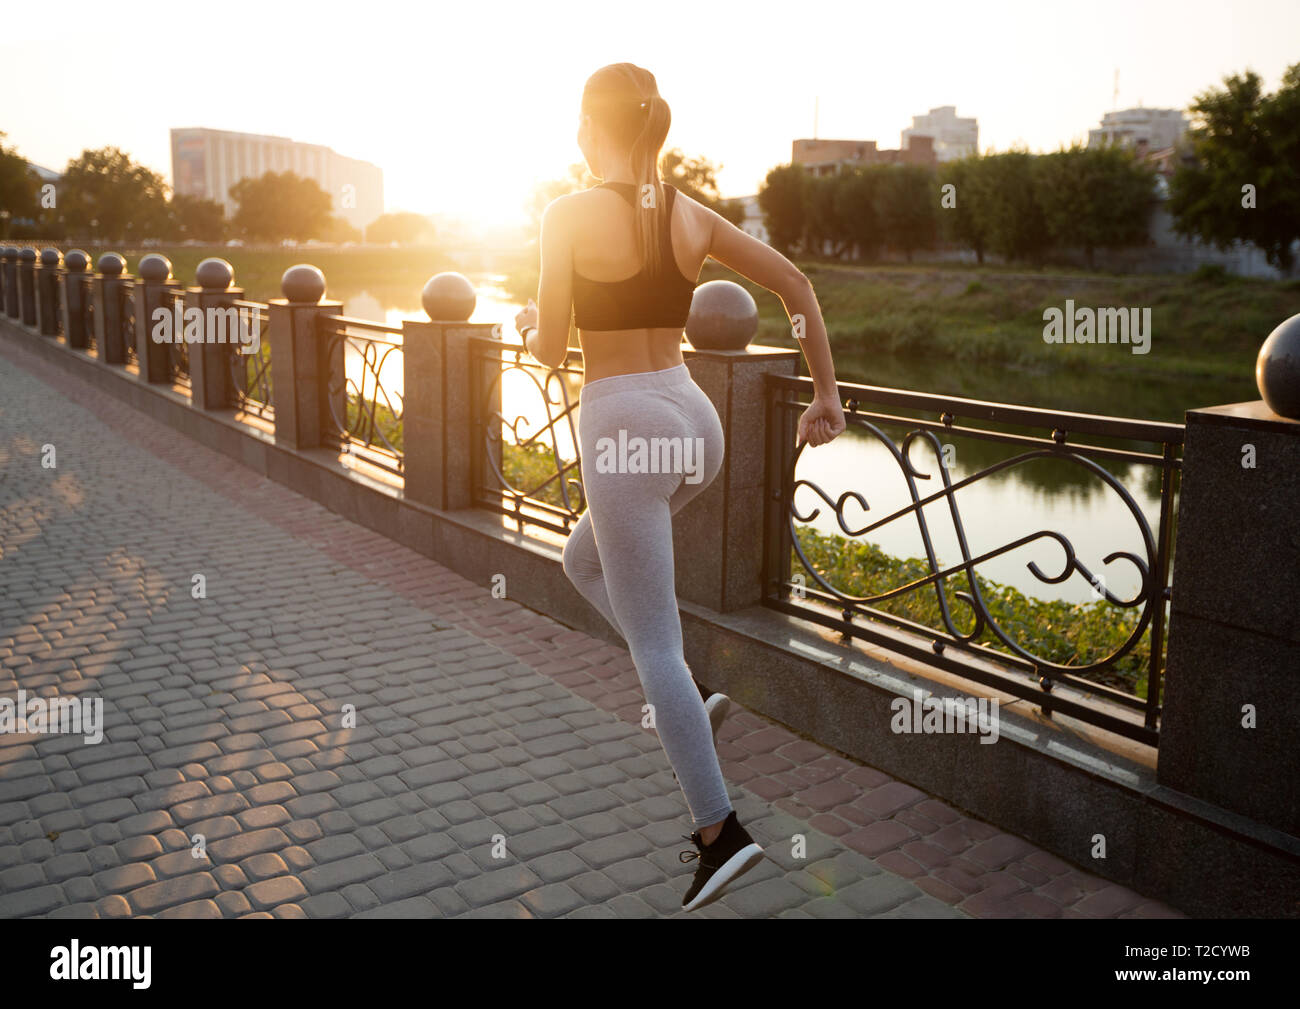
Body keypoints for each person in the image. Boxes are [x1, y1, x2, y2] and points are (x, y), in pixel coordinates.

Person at [515, 62, 845, 912]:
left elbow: (551, 351)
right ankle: (694, 700)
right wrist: (826, 393)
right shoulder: (691, 212)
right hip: (697, 423)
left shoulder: (566, 214)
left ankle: (719, 831)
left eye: (579, 126)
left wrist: (526, 322)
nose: (576, 140)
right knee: (582, 558)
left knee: (653, 640)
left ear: (595, 128)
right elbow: (795, 286)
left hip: (624, 423)